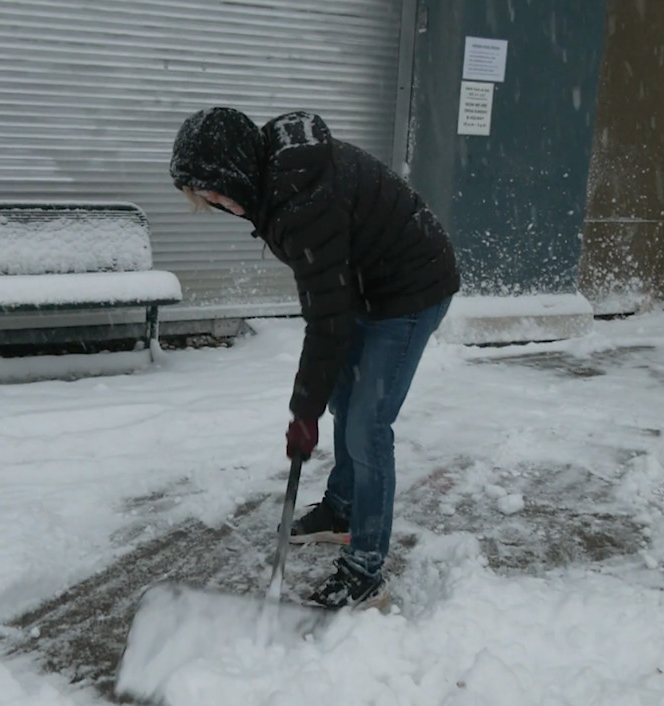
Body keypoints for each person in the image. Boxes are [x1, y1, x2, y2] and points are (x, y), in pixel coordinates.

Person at [169, 107, 460, 610]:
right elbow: (332, 304)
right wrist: (314, 403)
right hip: (369, 285)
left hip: (412, 289)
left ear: (235, 170)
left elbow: (328, 320)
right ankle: (342, 511)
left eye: (213, 191)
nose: (214, 202)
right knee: (345, 401)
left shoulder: (301, 200)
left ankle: (365, 570)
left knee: (367, 425)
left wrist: (303, 412)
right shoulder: (277, 179)